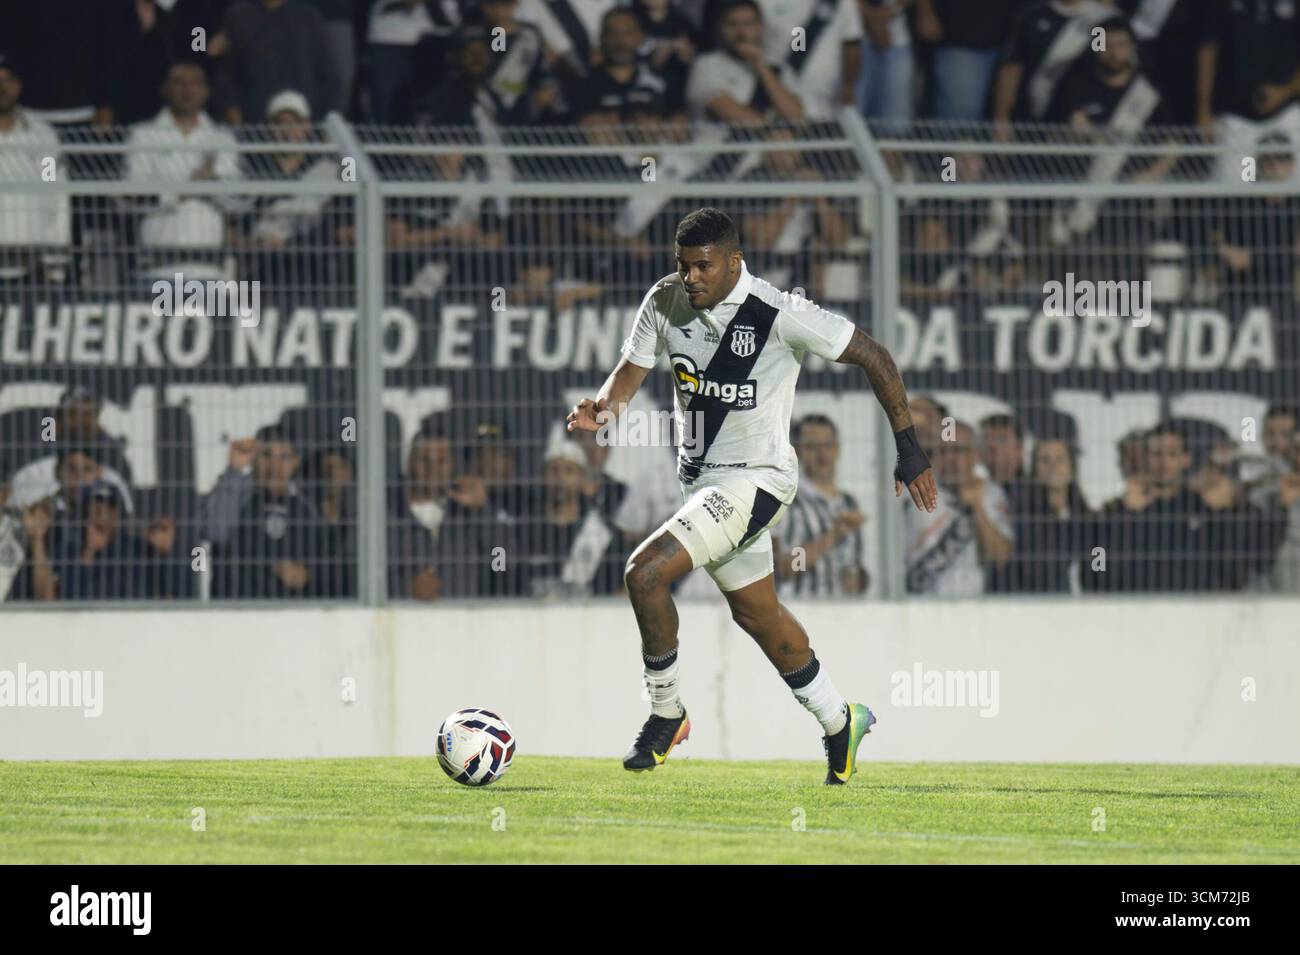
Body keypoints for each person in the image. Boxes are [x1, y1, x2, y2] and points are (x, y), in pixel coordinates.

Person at [565, 207, 936, 784]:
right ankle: (841, 720)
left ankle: (667, 713)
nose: (691, 278)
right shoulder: (663, 301)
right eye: (683, 266)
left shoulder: (780, 313)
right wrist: (601, 408)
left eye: (704, 266)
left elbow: (874, 355)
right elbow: (627, 377)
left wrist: (909, 447)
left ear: (735, 261)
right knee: (758, 616)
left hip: (757, 481)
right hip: (703, 484)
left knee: (645, 572)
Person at [774, 414, 869, 597]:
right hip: (802, 612)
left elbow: (854, 569)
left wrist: (856, 578)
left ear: (837, 448)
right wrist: (832, 537)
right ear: (797, 452)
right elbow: (783, 568)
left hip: (845, 614)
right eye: (811, 447)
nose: (822, 455)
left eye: (828, 445)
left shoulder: (849, 503)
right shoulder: (788, 502)